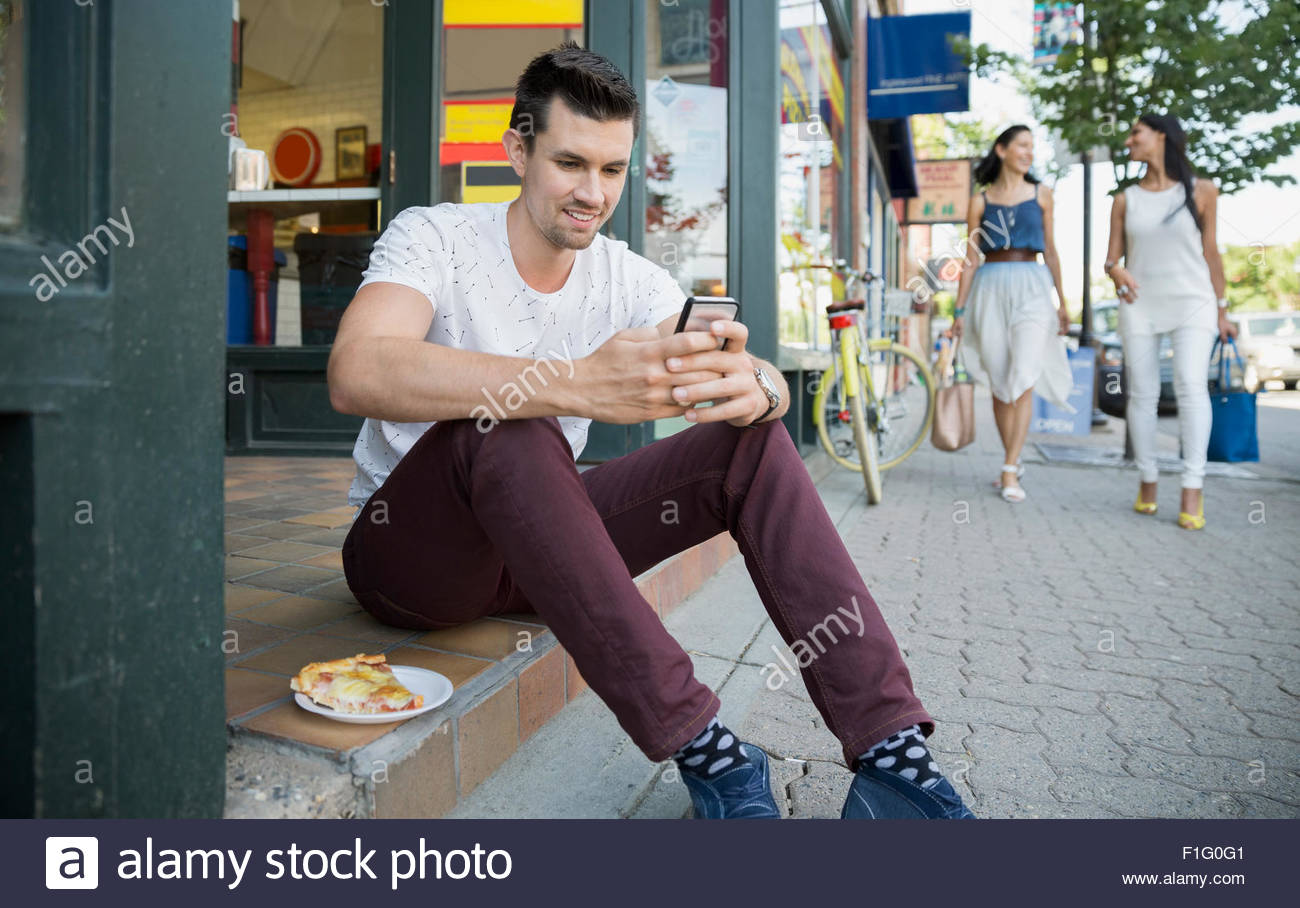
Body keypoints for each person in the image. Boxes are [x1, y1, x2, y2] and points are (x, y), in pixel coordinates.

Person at [328, 43, 973, 819]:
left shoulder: (625, 274)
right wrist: (573, 385)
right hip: (413, 557)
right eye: (570, 163)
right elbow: (357, 368)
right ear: (516, 150)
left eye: (612, 169)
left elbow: (747, 370)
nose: (592, 193)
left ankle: (890, 757)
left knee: (751, 446)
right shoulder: (434, 235)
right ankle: (710, 752)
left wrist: (759, 388)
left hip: (536, 545)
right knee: (513, 426)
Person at [1103, 113, 1236, 530]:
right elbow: (1110, 258)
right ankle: (1147, 480)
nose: (1128, 140)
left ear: (1161, 136)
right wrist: (1115, 271)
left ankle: (1192, 487)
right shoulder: (1126, 199)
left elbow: (1211, 252)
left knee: (1190, 385)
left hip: (1194, 302)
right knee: (1141, 395)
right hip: (1140, 302)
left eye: (1135, 132)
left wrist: (1223, 308)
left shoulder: (1203, 191)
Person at [949, 125, 1073, 503]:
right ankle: (1011, 460)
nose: (1028, 152)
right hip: (990, 285)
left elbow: (1051, 251)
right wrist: (959, 309)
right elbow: (970, 259)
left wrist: (1063, 301)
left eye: (1032, 147)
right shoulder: (980, 201)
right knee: (1002, 382)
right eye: (1022, 145)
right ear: (1001, 150)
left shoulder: (1043, 195)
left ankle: (1008, 467)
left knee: (1024, 373)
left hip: (1032, 286)